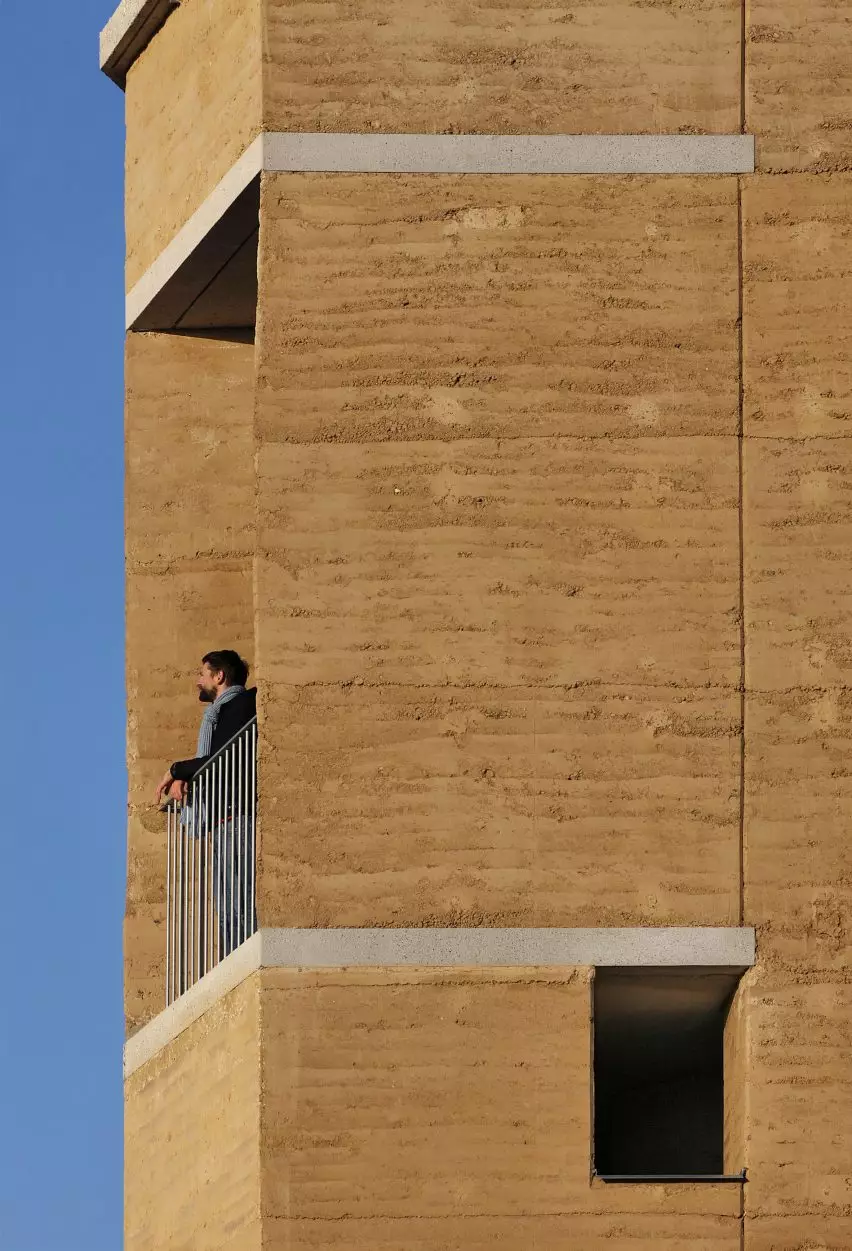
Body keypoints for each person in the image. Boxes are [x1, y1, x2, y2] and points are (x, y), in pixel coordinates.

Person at [156, 651, 257, 965]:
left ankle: (239, 962)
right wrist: (186, 777)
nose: (198, 680)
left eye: (203, 673)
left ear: (219, 677)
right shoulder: (221, 712)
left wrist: (178, 770)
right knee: (226, 905)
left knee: (236, 904)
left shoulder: (238, 707)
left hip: (235, 815)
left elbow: (221, 758)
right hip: (224, 818)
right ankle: (233, 961)